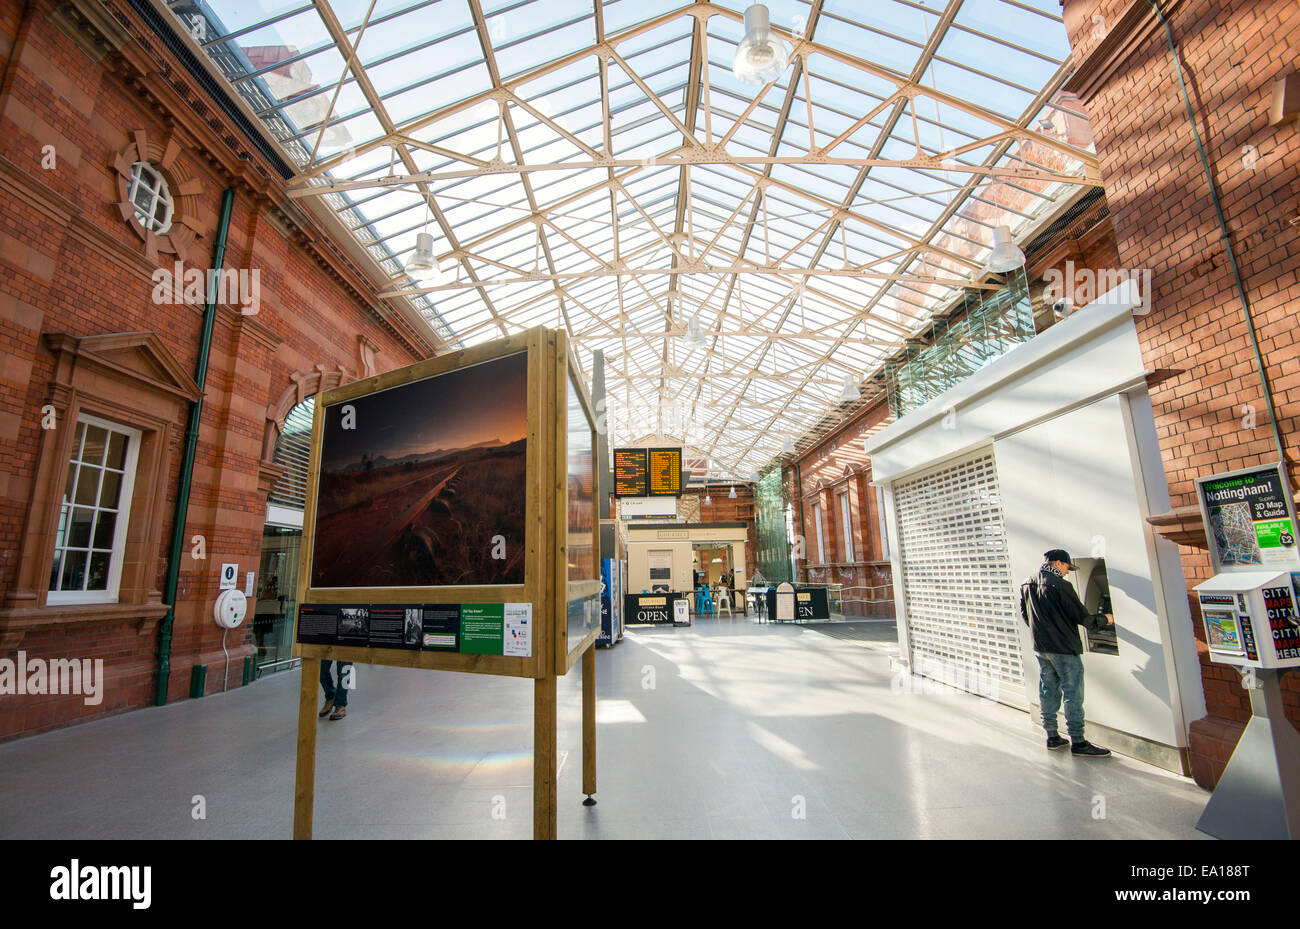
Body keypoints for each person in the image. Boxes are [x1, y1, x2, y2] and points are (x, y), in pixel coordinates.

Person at [1020, 549, 1113, 757]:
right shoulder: (1061, 585)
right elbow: (1085, 619)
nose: (1067, 573)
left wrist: (1044, 634)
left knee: (1048, 691)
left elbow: (1026, 616)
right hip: (1064, 649)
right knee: (1073, 694)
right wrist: (1106, 619)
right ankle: (1078, 742)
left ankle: (1052, 737)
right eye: (1067, 568)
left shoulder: (1027, 582)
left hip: (1042, 649)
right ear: (1059, 563)